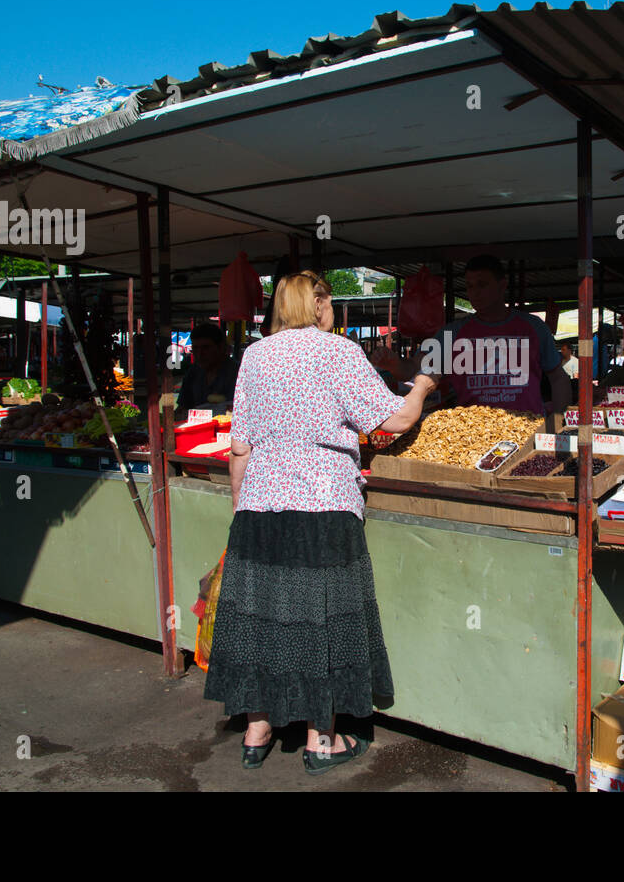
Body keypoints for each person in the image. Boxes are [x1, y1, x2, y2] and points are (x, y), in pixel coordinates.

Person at [204, 271, 434, 774]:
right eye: (327, 302)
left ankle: (257, 729)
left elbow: (238, 446)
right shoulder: (338, 352)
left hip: (260, 509)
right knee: (322, 620)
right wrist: (420, 386)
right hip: (323, 505)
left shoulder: (255, 357)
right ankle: (319, 739)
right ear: (319, 306)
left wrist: (242, 509)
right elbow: (392, 420)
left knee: (259, 619)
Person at [371, 255, 571, 415]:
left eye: (482, 284)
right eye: (470, 286)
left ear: (502, 286)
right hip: (473, 438)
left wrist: (557, 421)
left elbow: (558, 378)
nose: (474, 292)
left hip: (526, 433)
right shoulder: (452, 333)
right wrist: (393, 364)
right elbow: (414, 369)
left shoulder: (533, 328)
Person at [176, 322, 239, 414]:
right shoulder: (193, 372)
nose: (200, 354)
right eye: (195, 348)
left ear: (221, 347)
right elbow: (183, 407)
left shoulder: (237, 373)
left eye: (206, 348)